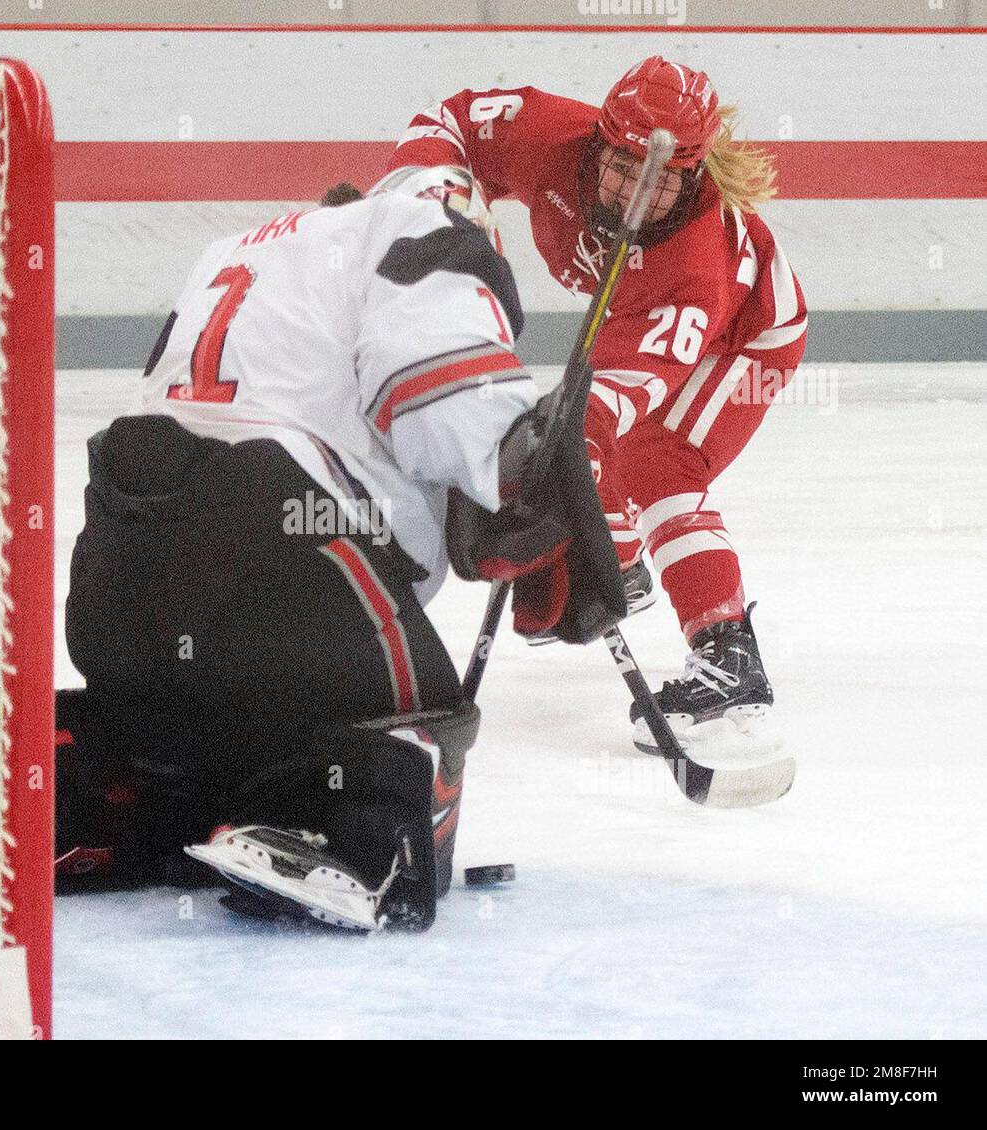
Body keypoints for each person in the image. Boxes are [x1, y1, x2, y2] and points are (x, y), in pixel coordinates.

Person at [58, 166, 614, 930]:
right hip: (280, 557)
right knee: (423, 720)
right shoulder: (422, 223)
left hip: (116, 570)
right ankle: (343, 832)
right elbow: (443, 403)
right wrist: (535, 485)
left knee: (171, 744)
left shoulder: (233, 250)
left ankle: (63, 786)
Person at [387, 57, 806, 755]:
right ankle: (623, 569)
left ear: (693, 176)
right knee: (599, 486)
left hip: (745, 333)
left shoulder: (692, 274)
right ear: (597, 142)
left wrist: (544, 474)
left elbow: (598, 417)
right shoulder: (546, 134)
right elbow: (450, 121)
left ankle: (728, 655)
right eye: (623, 167)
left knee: (655, 466)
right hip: (653, 318)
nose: (638, 193)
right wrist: (433, 207)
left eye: (664, 178)